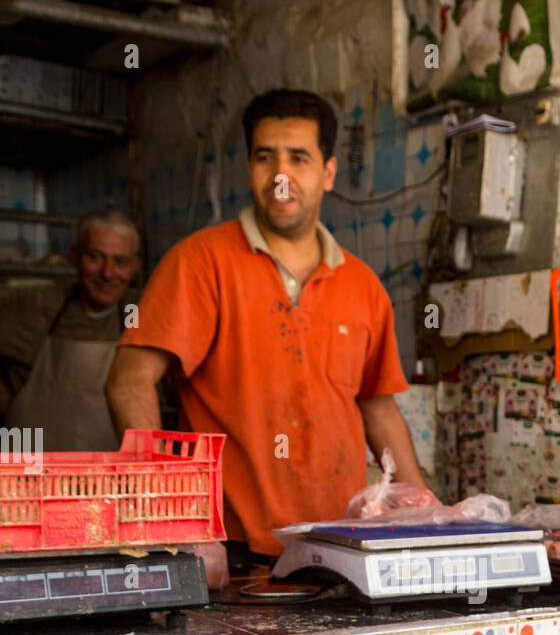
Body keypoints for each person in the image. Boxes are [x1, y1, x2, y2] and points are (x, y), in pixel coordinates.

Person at [106, 88, 426, 564]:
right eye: (265, 158)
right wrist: (165, 509)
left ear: (328, 173)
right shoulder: (200, 263)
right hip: (226, 550)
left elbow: (378, 410)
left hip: (339, 548)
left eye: (299, 158)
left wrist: (424, 515)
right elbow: (128, 380)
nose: (281, 177)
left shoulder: (363, 286)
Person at [0, 209, 140, 451]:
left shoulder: (134, 312)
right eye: (95, 257)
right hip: (27, 468)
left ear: (135, 266)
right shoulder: (40, 304)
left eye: (120, 261)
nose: (107, 273)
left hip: (108, 478)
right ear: (74, 256)